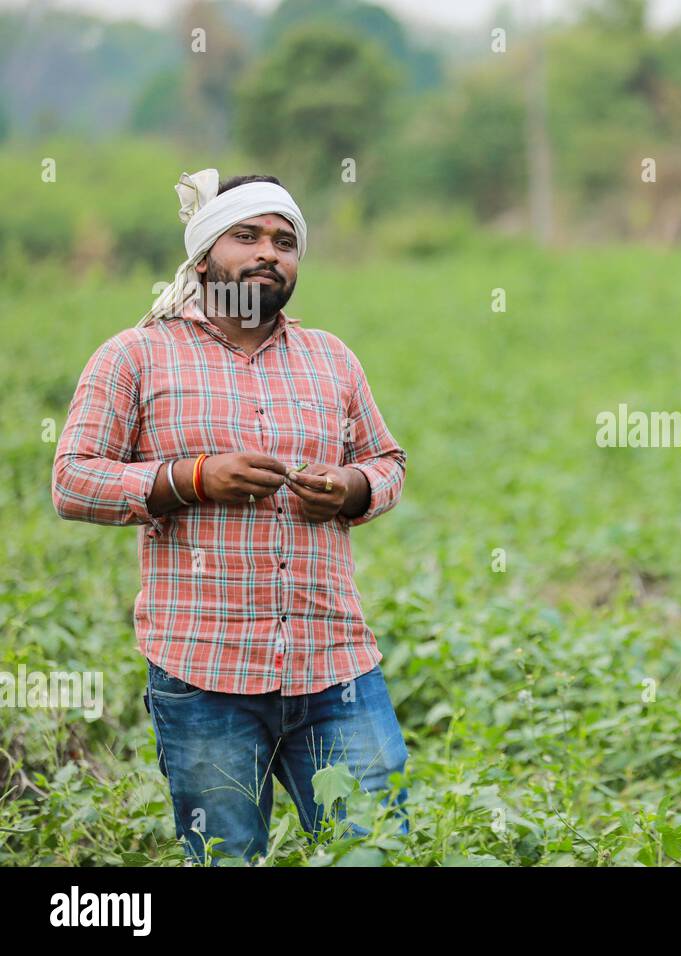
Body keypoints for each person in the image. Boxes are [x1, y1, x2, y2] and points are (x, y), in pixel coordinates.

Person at [51, 169, 411, 865]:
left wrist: (352, 487)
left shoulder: (330, 359)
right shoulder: (136, 355)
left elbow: (388, 461)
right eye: (246, 235)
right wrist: (191, 479)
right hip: (203, 672)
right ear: (204, 253)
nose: (268, 253)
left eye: (285, 240)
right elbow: (72, 479)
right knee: (226, 857)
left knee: (379, 849)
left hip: (336, 666)